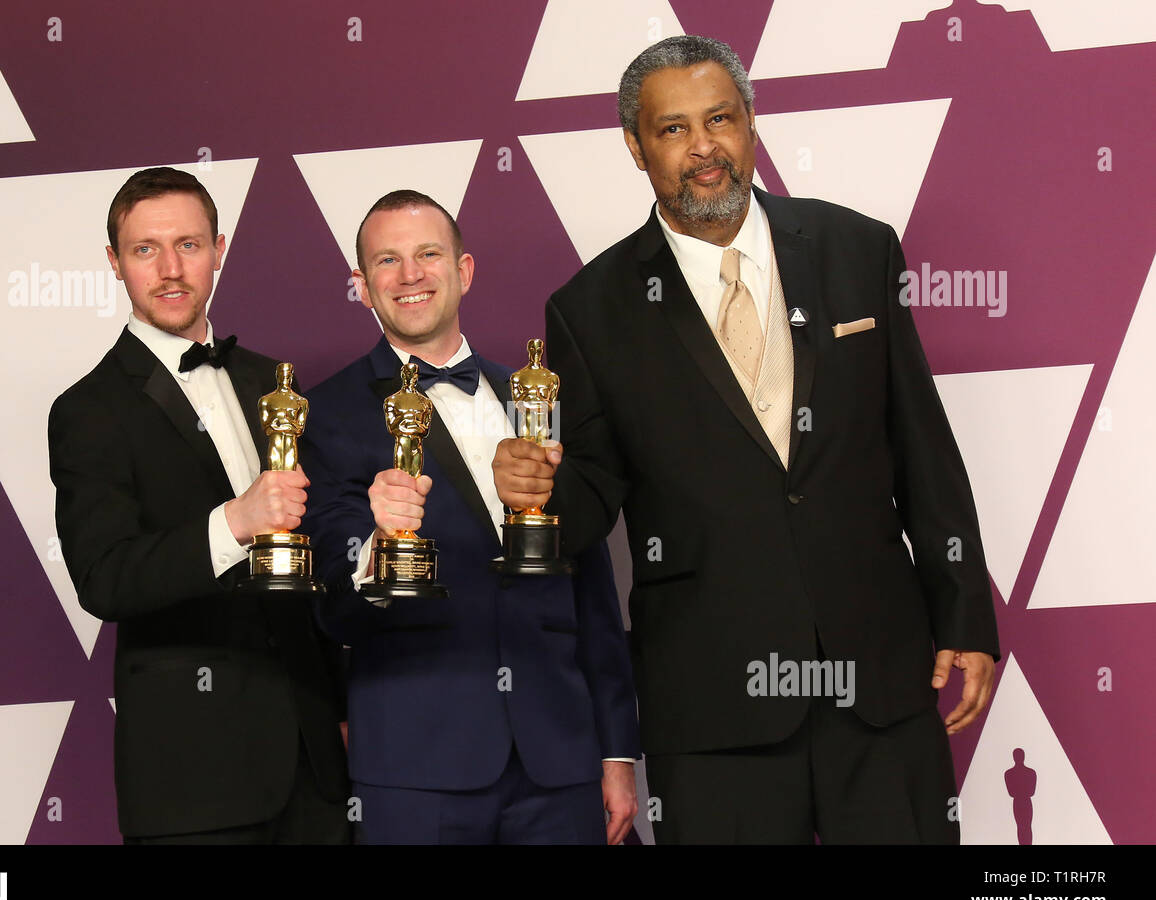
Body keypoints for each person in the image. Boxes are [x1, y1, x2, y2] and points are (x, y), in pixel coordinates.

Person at [492, 36, 1001, 844]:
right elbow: (591, 500)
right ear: (635, 146)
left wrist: (966, 612)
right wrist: (535, 491)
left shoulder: (857, 249)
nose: (704, 148)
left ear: (752, 124)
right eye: (673, 129)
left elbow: (921, 446)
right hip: (713, 705)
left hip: (877, 680)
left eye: (720, 118)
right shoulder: (589, 310)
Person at [299, 190, 640, 845]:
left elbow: (592, 584)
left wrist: (616, 749)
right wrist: (379, 542)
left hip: (560, 762)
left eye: (429, 254)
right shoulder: (329, 414)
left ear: (465, 270)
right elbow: (332, 606)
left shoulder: (535, 398)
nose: (410, 275)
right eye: (387, 261)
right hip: (416, 770)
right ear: (362, 285)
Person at [48, 167, 349, 843]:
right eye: (145, 249)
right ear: (114, 263)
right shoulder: (87, 410)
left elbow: (312, 566)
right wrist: (234, 522)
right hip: (192, 782)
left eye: (188, 244)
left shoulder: (274, 383)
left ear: (220, 247)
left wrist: (340, 700)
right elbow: (106, 577)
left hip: (315, 768)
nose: (170, 268)